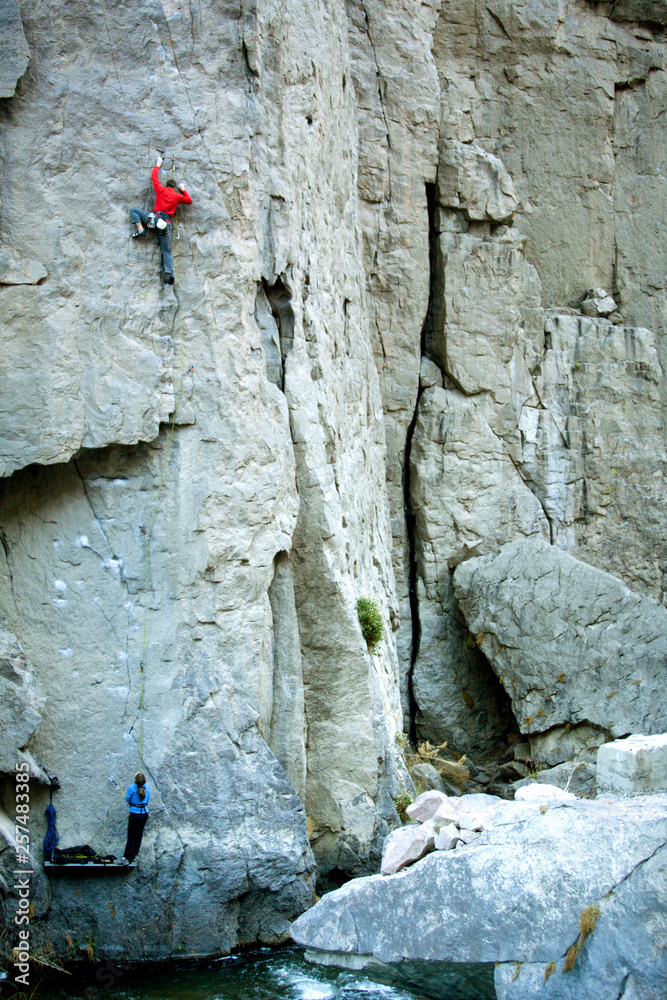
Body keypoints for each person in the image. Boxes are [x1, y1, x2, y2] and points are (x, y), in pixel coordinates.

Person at [129, 155, 192, 285]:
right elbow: (189, 201)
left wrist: (158, 164)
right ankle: (168, 273)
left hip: (154, 219)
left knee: (134, 211)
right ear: (174, 188)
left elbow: (154, 177)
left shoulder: (161, 190)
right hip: (165, 224)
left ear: (167, 185)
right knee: (166, 250)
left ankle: (141, 229)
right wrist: (183, 190)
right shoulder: (177, 196)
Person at [115, 771, 150, 866]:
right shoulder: (147, 787)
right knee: (139, 835)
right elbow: (147, 799)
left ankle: (126, 857)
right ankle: (134, 856)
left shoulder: (132, 787)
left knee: (131, 836)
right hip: (144, 814)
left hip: (135, 814)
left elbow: (127, 799)